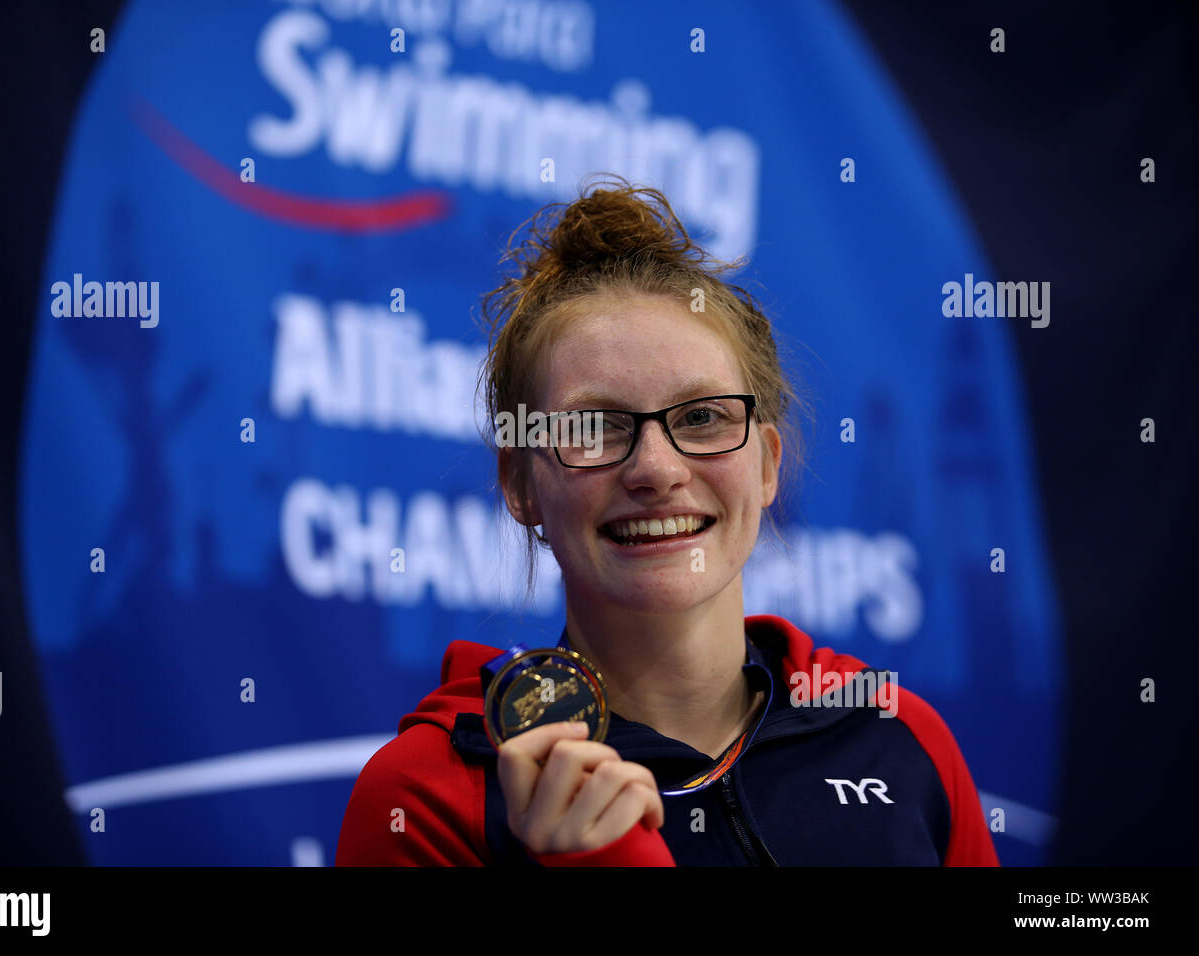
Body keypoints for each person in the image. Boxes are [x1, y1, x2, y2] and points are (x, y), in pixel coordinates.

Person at [334, 177, 999, 866]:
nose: (655, 468)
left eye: (703, 418)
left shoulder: (899, 737)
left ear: (768, 465)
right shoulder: (425, 797)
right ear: (521, 484)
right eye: (594, 427)